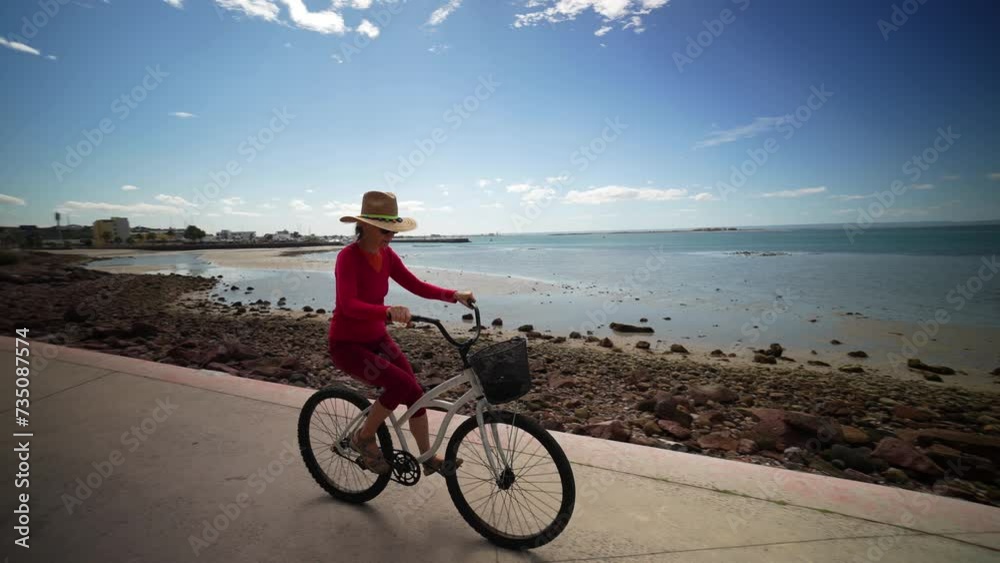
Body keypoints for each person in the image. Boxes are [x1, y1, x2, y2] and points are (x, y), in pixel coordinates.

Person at [329, 191, 474, 476]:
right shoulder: (347, 257)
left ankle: (428, 456)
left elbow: (415, 285)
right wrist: (386, 311)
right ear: (366, 226)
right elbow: (348, 305)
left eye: (393, 232)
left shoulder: (387, 254)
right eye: (385, 231)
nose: (390, 237)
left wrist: (454, 294)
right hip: (347, 345)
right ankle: (363, 438)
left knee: (415, 392)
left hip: (377, 339)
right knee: (398, 385)